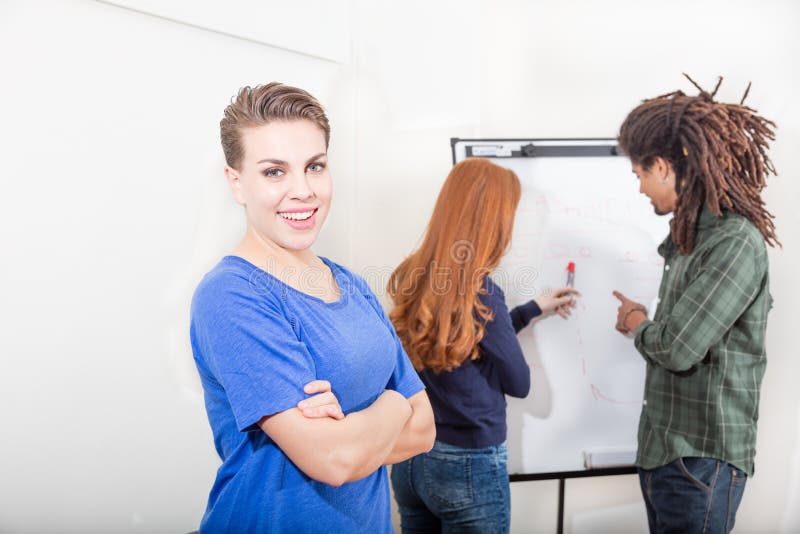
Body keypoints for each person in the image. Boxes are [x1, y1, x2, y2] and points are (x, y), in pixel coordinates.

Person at [189, 82, 435, 533]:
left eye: (315, 166)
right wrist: (393, 403)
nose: (302, 190)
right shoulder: (231, 295)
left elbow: (425, 430)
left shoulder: (352, 286)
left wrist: (354, 426)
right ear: (237, 182)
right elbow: (335, 459)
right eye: (274, 172)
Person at [612, 75, 778, 534]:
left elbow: (677, 349)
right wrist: (645, 322)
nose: (641, 188)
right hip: (668, 455)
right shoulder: (689, 237)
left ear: (663, 167)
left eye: (640, 175)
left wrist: (637, 322)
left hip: (700, 461)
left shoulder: (734, 241)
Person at [387, 157, 579, 533]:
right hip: (466, 464)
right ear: (492, 222)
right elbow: (519, 383)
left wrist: (531, 309)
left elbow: (462, 331)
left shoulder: (416, 275)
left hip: (412, 460)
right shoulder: (482, 292)